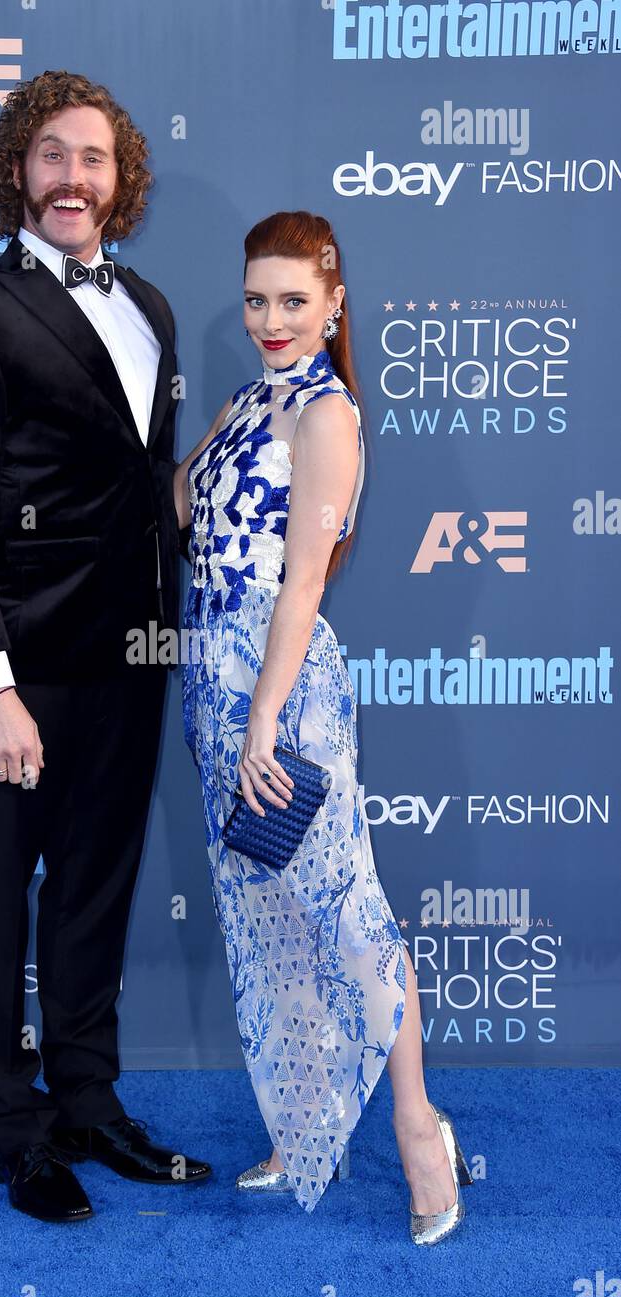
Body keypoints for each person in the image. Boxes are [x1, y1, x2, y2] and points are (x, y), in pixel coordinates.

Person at [0, 69, 211, 1224]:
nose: (72, 177)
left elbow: (145, 485)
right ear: (16, 174)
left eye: (92, 158)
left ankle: (89, 1102)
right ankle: (17, 1130)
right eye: (50, 156)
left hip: (130, 657)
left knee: (94, 893)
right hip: (19, 671)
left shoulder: (151, 306)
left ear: (119, 178)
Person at [174, 211, 473, 1244]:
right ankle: (303, 1133)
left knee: (346, 915)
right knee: (270, 921)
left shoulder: (327, 416)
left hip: (281, 694)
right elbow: (177, 509)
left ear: (333, 303)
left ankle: (416, 1128)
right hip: (211, 683)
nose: (269, 319)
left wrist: (262, 722)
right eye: (255, 299)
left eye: (292, 301)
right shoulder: (252, 397)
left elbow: (301, 583)